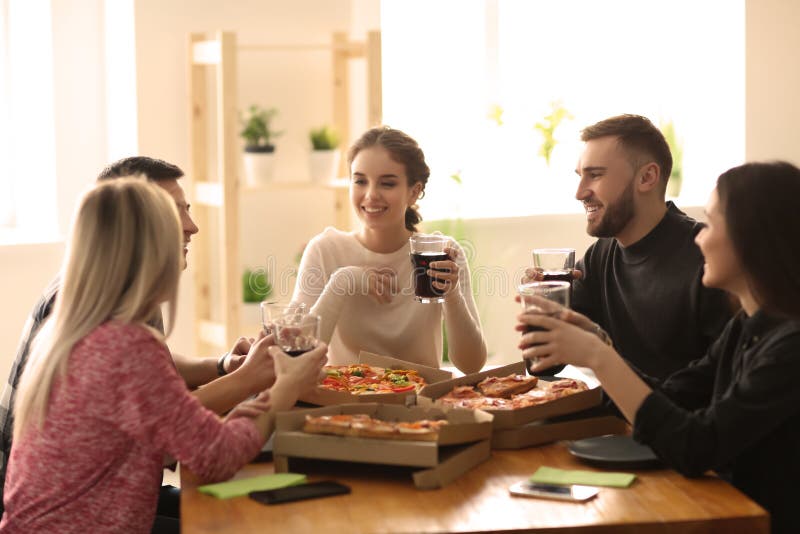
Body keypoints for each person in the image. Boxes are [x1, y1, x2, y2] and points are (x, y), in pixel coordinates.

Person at [0, 178, 327, 533]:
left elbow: (186, 432)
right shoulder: (127, 347)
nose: (189, 232)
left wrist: (257, 394)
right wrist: (284, 390)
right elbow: (217, 456)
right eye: (173, 227)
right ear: (148, 251)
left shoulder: (70, 332)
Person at [518, 161, 800, 534]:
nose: (700, 238)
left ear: (754, 239)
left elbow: (698, 446)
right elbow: (674, 396)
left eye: (713, 224)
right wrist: (600, 346)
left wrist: (597, 356)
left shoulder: (790, 349)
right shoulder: (746, 326)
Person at [522, 114, 732, 380]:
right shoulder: (600, 256)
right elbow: (545, 365)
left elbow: (716, 388)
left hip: (673, 419)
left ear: (647, 177)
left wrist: (599, 352)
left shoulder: (709, 258)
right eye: (580, 176)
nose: (579, 192)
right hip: (623, 416)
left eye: (595, 175)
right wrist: (540, 311)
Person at [292, 126, 486, 374]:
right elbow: (297, 356)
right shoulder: (325, 250)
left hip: (420, 405)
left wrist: (452, 294)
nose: (371, 195)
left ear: (414, 192)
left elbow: (472, 365)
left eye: (387, 183)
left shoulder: (441, 253)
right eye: (360, 181)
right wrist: (345, 280)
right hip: (344, 403)